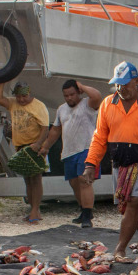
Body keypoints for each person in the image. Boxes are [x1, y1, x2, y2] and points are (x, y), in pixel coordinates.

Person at [84, 61, 138, 258]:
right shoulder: (108, 103)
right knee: (133, 207)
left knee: (134, 201)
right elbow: (99, 137)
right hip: (120, 162)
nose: (121, 88)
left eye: (125, 84)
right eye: (118, 84)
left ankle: (120, 248)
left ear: (137, 82)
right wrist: (91, 163)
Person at [37, 79, 103, 228]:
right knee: (74, 183)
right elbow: (55, 130)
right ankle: (83, 210)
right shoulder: (61, 109)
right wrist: (46, 146)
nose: (69, 98)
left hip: (87, 147)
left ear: (78, 92)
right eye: (66, 96)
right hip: (69, 151)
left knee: (84, 180)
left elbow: (98, 96)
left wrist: (83, 86)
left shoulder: (88, 104)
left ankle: (87, 216)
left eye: (72, 94)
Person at [0, 80, 49, 223]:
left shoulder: (39, 106)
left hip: (33, 146)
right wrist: (3, 81)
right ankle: (33, 209)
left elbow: (45, 127)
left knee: (36, 178)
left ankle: (35, 210)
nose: (21, 100)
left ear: (29, 93)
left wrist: (38, 144)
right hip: (19, 146)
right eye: (18, 96)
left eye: (24, 96)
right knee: (27, 179)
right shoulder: (13, 103)